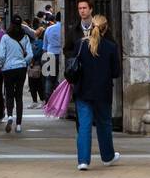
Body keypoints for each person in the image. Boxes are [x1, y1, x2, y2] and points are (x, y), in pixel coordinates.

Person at [73, 14, 121, 170]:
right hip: (103, 91)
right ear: (105, 28)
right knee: (104, 124)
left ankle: (83, 160)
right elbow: (115, 72)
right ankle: (107, 156)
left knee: (84, 126)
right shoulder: (111, 47)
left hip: (84, 90)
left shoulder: (81, 44)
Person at [0, 15, 33, 133]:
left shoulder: (5, 38)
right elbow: (30, 55)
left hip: (8, 69)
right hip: (21, 68)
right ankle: (18, 124)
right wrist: (24, 62)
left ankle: (10, 116)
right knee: (19, 96)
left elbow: (1, 55)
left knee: (9, 93)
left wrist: (2, 65)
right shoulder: (25, 37)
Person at [42, 12, 63, 97]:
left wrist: (43, 59)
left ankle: (48, 98)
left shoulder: (49, 29)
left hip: (50, 54)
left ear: (55, 19)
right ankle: (60, 97)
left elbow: (45, 46)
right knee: (61, 78)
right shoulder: (65, 28)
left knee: (49, 78)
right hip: (61, 55)